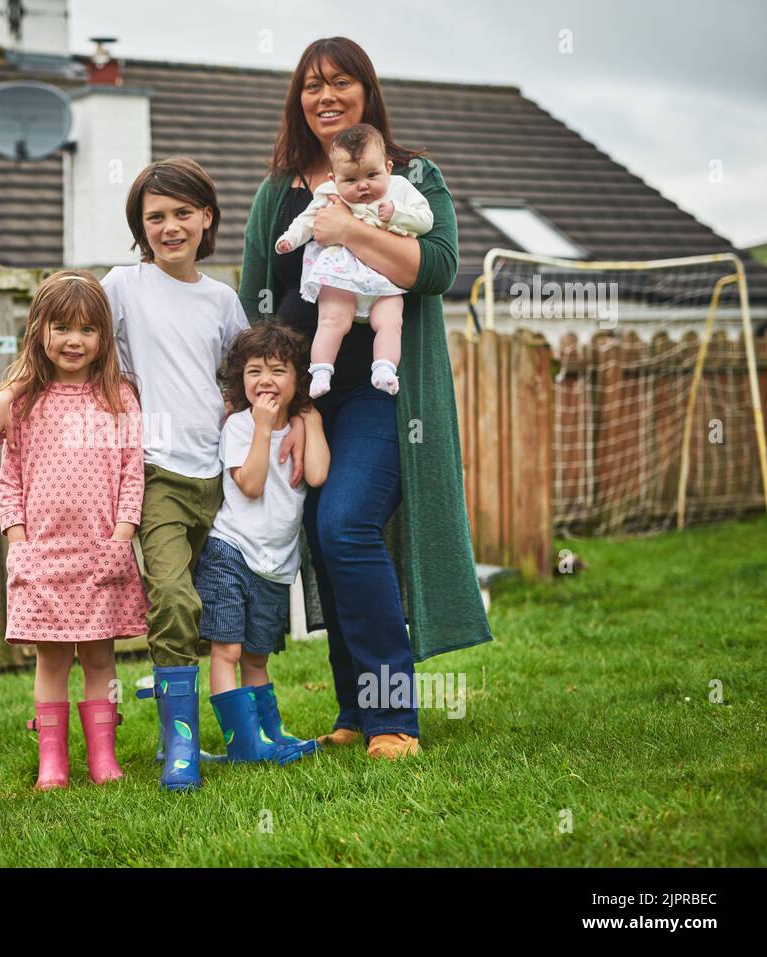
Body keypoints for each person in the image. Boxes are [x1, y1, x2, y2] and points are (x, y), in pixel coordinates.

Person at [0, 157, 308, 791]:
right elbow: (69, 330)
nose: (170, 226)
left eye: (183, 213)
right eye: (155, 217)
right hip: (154, 475)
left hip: (215, 476)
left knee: (220, 607)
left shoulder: (221, 300)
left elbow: (257, 375)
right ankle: (179, 748)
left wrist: (306, 420)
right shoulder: (124, 286)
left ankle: (232, 734)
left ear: (207, 218)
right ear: (140, 226)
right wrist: (9, 391)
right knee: (174, 599)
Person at [239, 37, 493, 761]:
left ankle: (394, 717)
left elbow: (437, 268)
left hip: (388, 391)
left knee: (348, 523)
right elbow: (260, 299)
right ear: (299, 100)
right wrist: (271, 401)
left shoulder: (410, 175)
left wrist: (349, 229)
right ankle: (353, 705)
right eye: (312, 85)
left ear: (366, 92)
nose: (325, 96)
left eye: (341, 82)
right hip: (312, 394)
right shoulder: (280, 191)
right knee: (325, 535)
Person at [0, 269, 148, 790]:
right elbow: (9, 478)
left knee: (101, 657)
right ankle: (52, 763)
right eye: (61, 328)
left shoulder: (120, 398)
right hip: (42, 556)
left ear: (104, 336)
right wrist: (19, 544)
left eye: (87, 330)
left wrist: (121, 538)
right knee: (52, 656)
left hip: (101, 552)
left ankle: (104, 759)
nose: (74, 341)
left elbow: (132, 473)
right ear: (40, 331)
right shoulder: (23, 402)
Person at [195, 324, 328, 764]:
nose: (265, 380)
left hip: (275, 563)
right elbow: (250, 484)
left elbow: (317, 475)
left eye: (278, 370)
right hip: (230, 552)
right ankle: (244, 745)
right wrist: (262, 427)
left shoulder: (301, 424)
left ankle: (269, 734)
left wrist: (311, 418)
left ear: (298, 381)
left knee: (256, 656)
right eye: (254, 371)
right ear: (241, 380)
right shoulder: (237, 425)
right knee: (227, 649)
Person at [276, 123, 434, 398]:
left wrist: (396, 213)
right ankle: (321, 370)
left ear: (388, 167)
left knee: (390, 321)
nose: (363, 186)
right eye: (351, 180)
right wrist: (291, 238)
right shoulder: (329, 194)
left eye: (372, 175)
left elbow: (425, 220)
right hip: (341, 272)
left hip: (384, 275)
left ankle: (384, 369)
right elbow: (308, 220)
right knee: (332, 320)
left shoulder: (401, 190)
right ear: (333, 178)